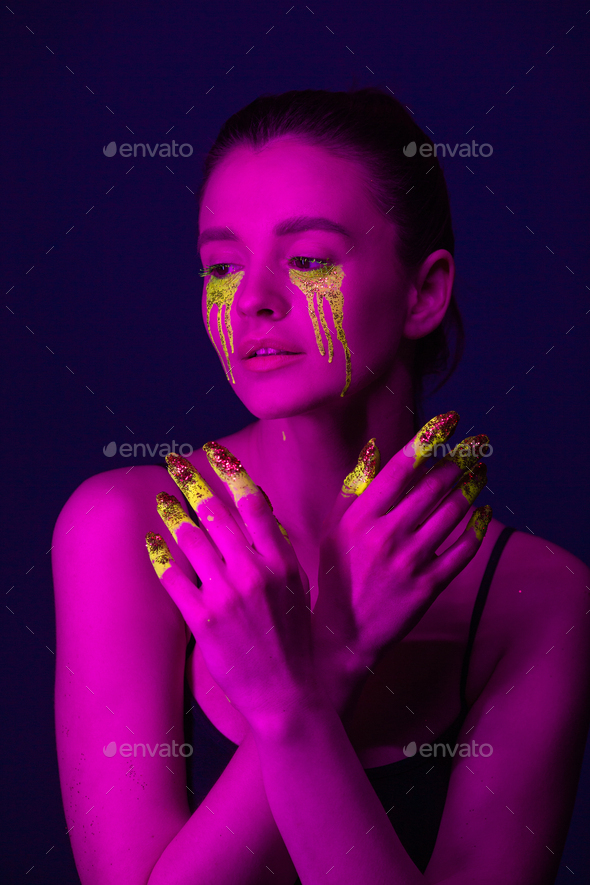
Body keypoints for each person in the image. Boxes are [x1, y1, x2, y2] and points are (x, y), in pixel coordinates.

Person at [52, 89, 590, 885]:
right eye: (222, 265)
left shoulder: (540, 600)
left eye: (307, 258)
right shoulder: (124, 529)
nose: (252, 300)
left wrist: (295, 705)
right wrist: (335, 651)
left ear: (424, 292)